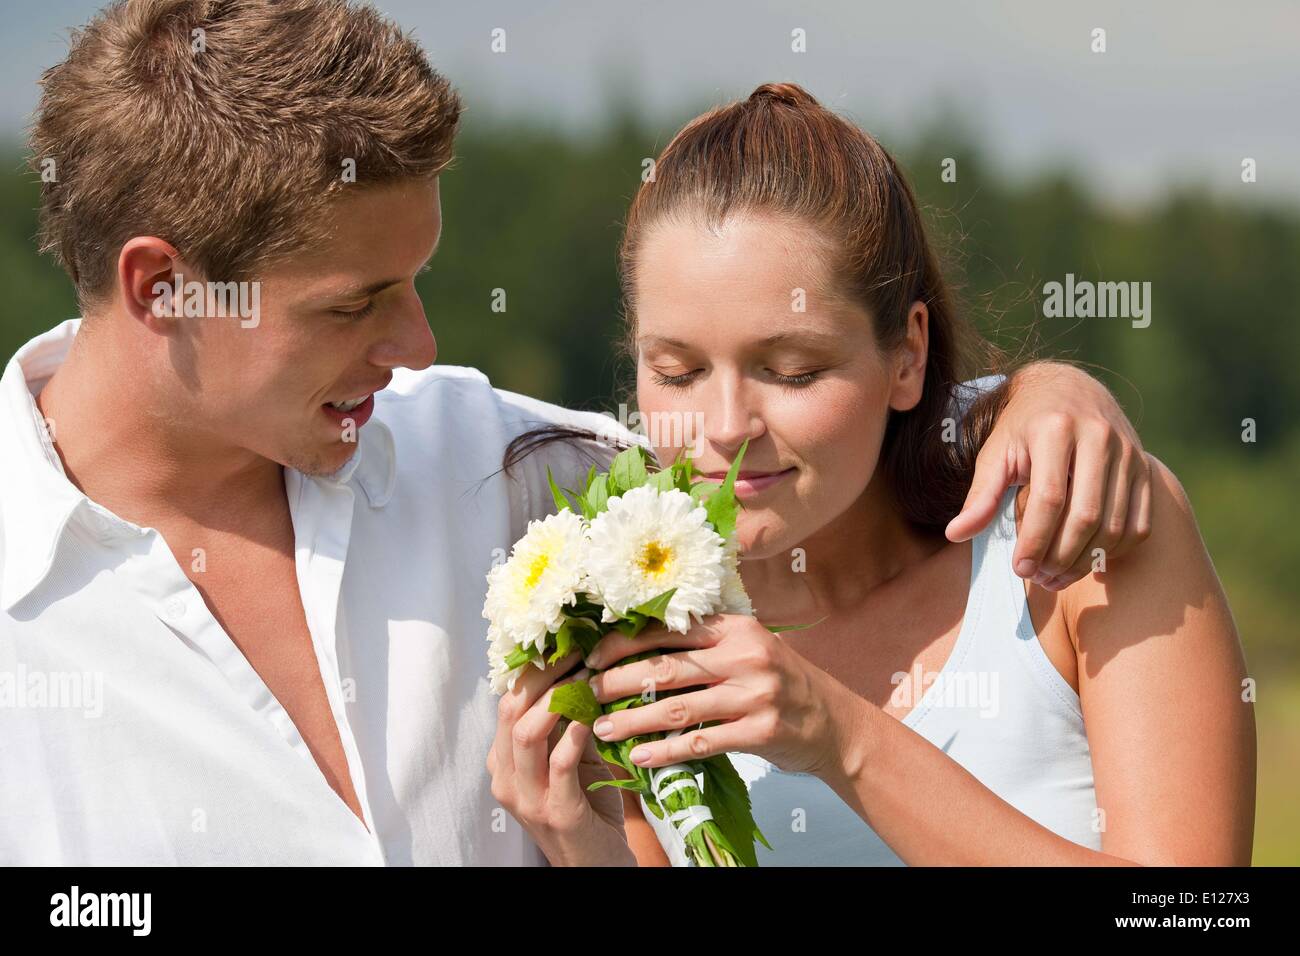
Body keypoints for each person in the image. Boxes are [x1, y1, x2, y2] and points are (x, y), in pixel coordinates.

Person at [3, 1, 1152, 865]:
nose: (415, 343)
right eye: (352, 302)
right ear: (163, 289)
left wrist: (1038, 396)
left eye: (415, 281)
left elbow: (790, 439)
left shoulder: (516, 478)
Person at [488, 83, 1255, 866]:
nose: (724, 428)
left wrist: (844, 740)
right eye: (677, 370)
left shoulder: (1078, 532)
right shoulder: (640, 639)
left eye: (792, 371)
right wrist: (588, 848)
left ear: (908, 356)